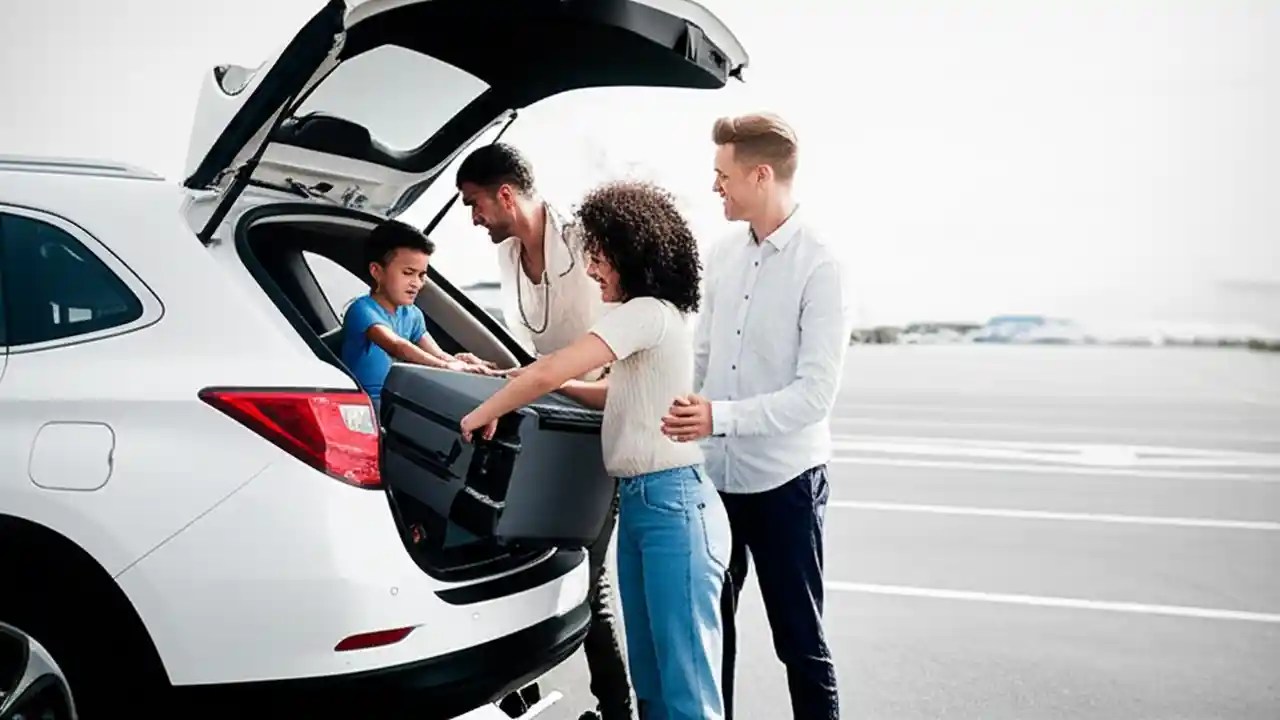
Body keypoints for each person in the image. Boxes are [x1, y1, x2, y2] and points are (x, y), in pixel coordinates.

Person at [459, 180, 731, 720]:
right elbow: (613, 392)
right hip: (644, 503)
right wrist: (520, 377)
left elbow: (557, 365)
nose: (590, 269)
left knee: (685, 686)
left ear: (629, 250)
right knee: (654, 677)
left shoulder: (645, 312)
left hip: (670, 506)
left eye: (599, 256)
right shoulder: (654, 319)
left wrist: (481, 413)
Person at [660, 112, 853, 720]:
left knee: (799, 642)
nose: (715, 185)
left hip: (785, 483)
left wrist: (719, 417)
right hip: (714, 480)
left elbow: (814, 395)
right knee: (709, 636)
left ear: (761, 174)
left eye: (723, 174)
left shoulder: (823, 263)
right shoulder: (720, 254)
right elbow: (702, 356)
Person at [454, 144, 630, 720]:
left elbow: (611, 341)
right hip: (551, 424)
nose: (473, 218)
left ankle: (616, 708)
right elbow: (534, 349)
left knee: (590, 578)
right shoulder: (508, 257)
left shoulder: (585, 240)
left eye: (475, 203)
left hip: (604, 423)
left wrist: (528, 381)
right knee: (522, 562)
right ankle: (518, 689)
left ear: (506, 194)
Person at [340, 219, 492, 412]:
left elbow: (437, 355)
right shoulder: (362, 310)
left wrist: (468, 366)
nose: (416, 284)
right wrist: (449, 367)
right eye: (408, 273)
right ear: (376, 271)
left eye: (421, 275)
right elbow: (397, 346)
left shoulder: (412, 314)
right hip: (363, 405)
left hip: (394, 400)